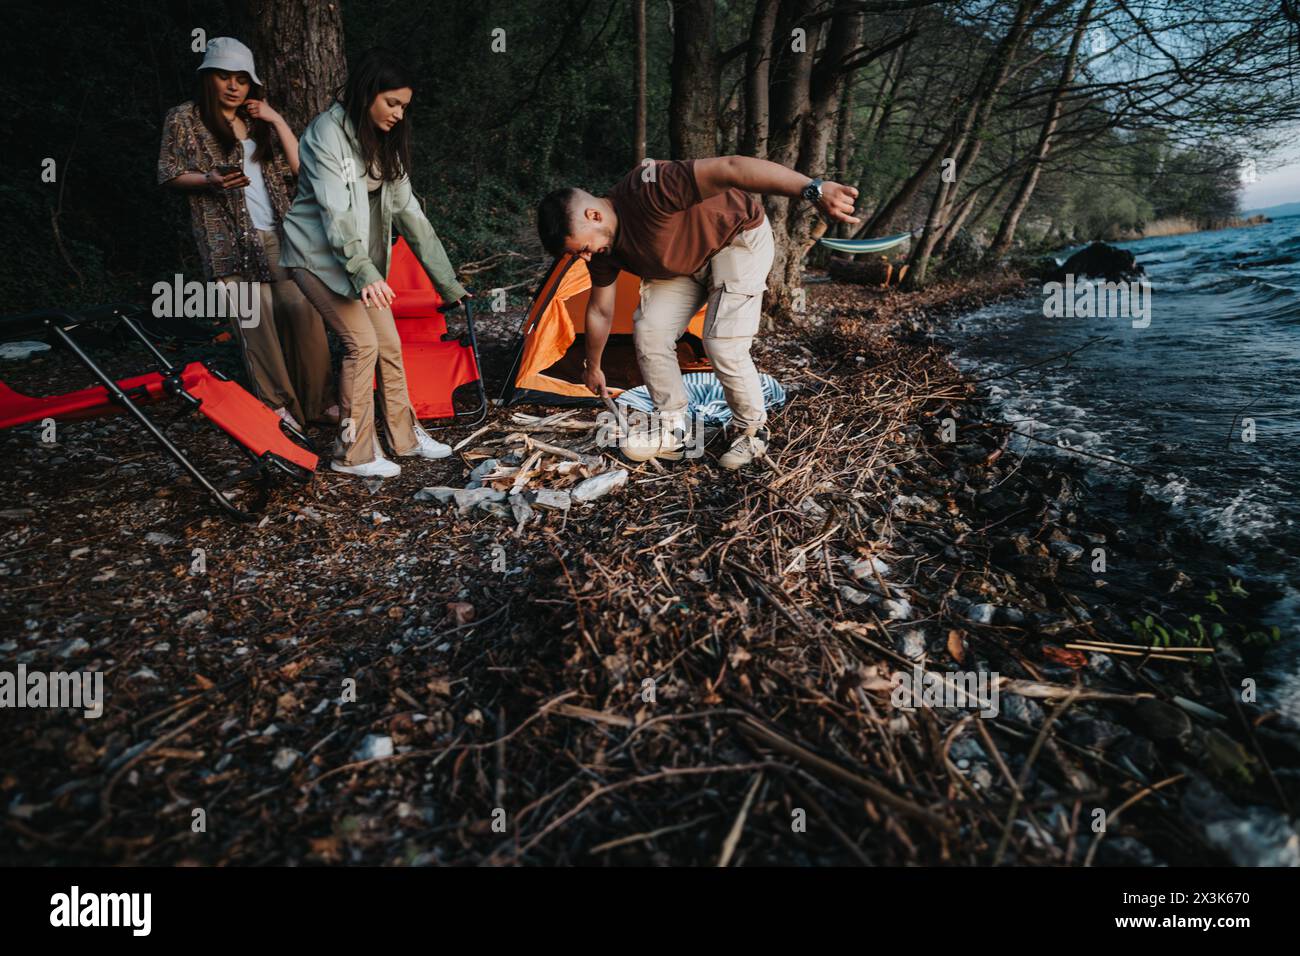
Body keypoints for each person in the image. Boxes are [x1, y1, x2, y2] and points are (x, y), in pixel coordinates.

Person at [536, 157, 859, 469]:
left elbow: (731, 168)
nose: (586, 258)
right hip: (683, 268)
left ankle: (751, 430)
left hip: (736, 240)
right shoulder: (604, 252)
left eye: (581, 249)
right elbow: (600, 310)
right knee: (650, 331)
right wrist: (592, 367)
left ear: (593, 215)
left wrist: (814, 188)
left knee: (722, 341)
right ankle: (673, 429)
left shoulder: (649, 186)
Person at [281, 48, 469, 479]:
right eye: (393, 103)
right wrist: (364, 272)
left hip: (359, 266)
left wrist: (448, 283)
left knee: (388, 345)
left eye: (405, 106)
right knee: (361, 345)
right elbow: (337, 213)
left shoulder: (384, 145)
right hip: (317, 258)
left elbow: (413, 218)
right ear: (368, 94)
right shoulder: (326, 134)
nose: (400, 114)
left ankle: (404, 437)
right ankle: (353, 452)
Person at [157, 36, 336, 430]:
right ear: (209, 78)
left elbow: (299, 171)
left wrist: (276, 119)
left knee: (305, 316)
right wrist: (209, 179)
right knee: (258, 328)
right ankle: (276, 407)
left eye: (242, 78)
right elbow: (168, 173)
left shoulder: (258, 118)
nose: (234, 86)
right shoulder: (184, 118)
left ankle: (320, 403)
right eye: (224, 77)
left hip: (280, 236)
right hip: (228, 241)